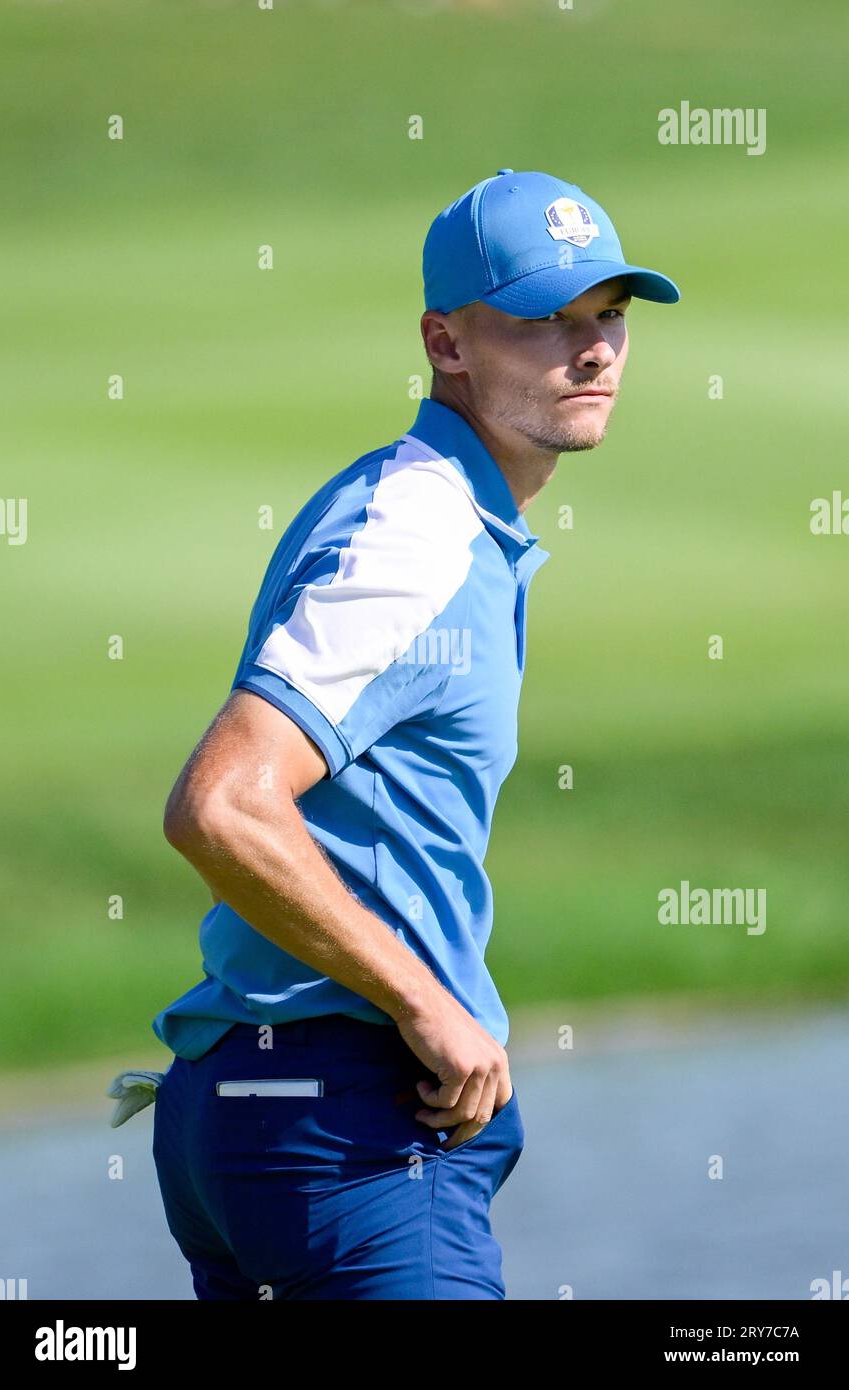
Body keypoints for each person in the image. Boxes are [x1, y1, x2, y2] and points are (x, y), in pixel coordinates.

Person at [150, 168, 680, 1300]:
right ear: (447, 340)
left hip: (256, 1113)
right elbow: (220, 803)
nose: (591, 351)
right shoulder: (416, 535)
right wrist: (426, 1000)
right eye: (545, 318)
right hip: (343, 1130)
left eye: (610, 317)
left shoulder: (434, 510)